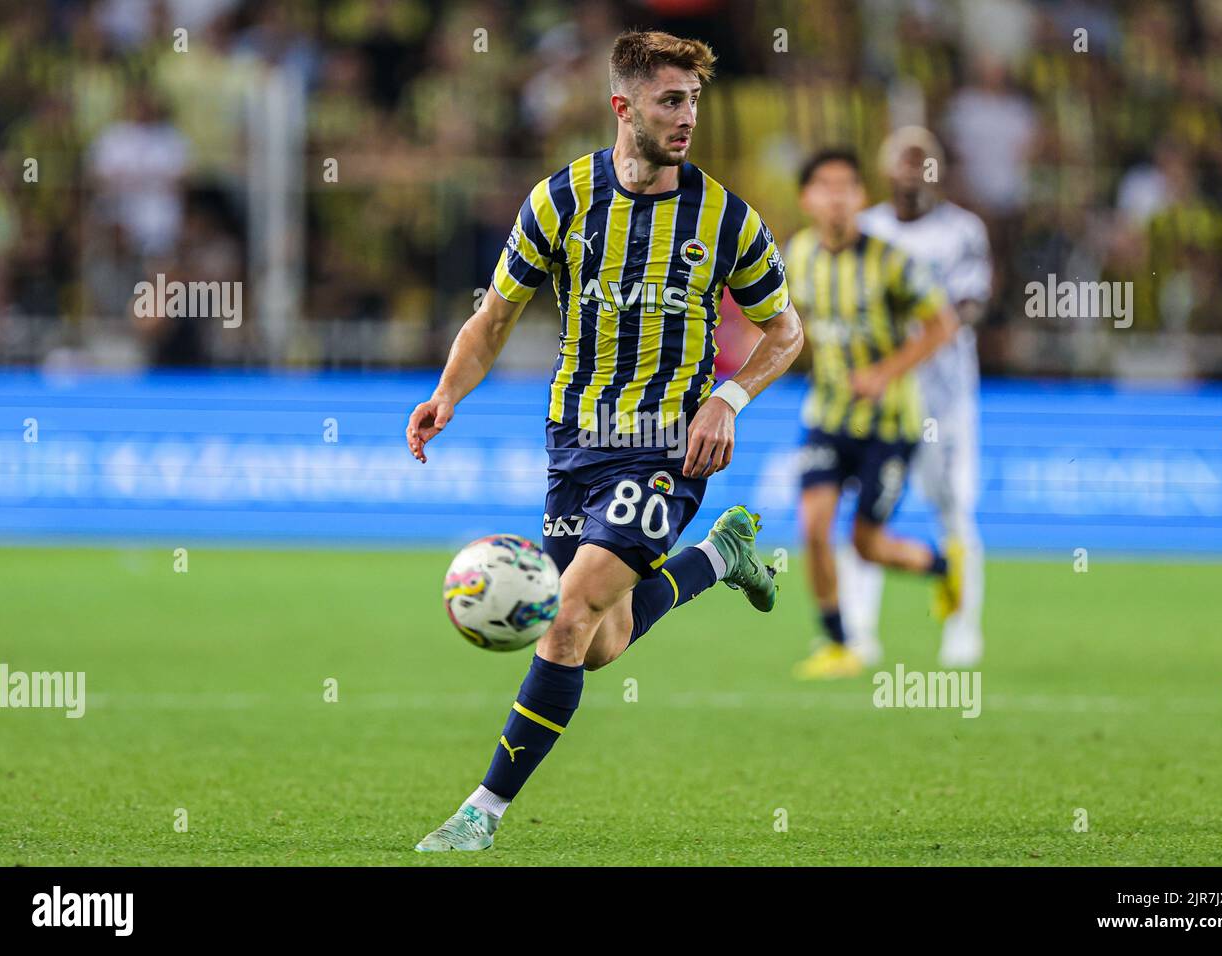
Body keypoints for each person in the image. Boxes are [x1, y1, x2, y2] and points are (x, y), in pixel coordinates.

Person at [406, 30, 804, 851]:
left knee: (567, 615)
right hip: (576, 442)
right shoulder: (559, 201)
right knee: (599, 641)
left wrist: (727, 399)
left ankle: (482, 810)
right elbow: (493, 320)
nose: (687, 116)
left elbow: (786, 331)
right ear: (622, 107)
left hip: (668, 448)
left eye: (693, 100)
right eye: (670, 100)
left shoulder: (726, 217)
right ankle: (719, 560)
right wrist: (446, 393)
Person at [785, 149, 959, 681]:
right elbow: (791, 323)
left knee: (866, 545)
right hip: (828, 416)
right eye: (824, 185)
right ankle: (838, 642)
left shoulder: (892, 261)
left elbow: (942, 325)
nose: (836, 197)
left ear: (862, 197)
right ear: (806, 199)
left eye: (847, 186)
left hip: (890, 424)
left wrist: (884, 373)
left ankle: (942, 567)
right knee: (813, 525)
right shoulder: (798, 255)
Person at [847, 127, 991, 667]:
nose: (914, 172)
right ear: (887, 171)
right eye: (905, 161)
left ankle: (961, 627)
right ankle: (856, 631)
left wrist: (912, 331)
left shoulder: (961, 231)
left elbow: (971, 304)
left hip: (943, 401)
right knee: (865, 514)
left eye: (924, 161)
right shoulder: (868, 229)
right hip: (881, 401)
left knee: (952, 509)